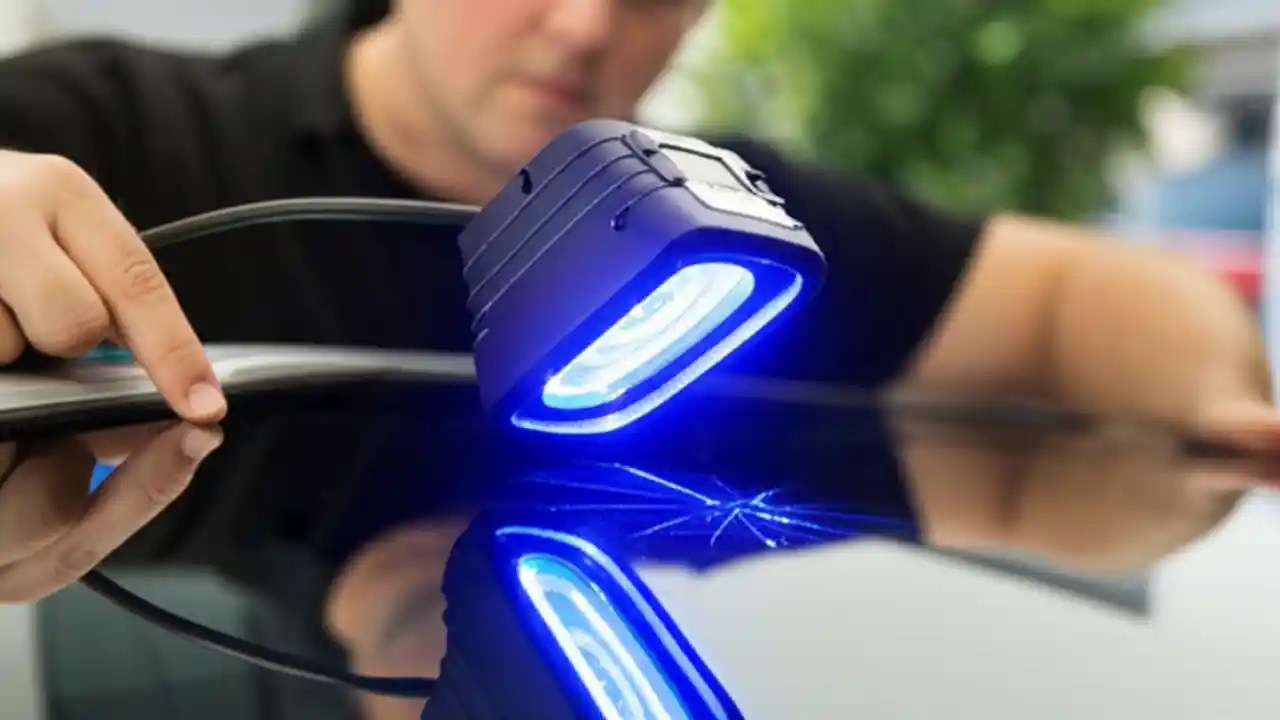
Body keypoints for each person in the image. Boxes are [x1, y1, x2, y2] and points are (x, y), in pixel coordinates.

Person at [0, 0, 1274, 606]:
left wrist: (1220, 393)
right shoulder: (101, 130)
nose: (589, 22)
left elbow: (1081, 302)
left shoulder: (723, 216)